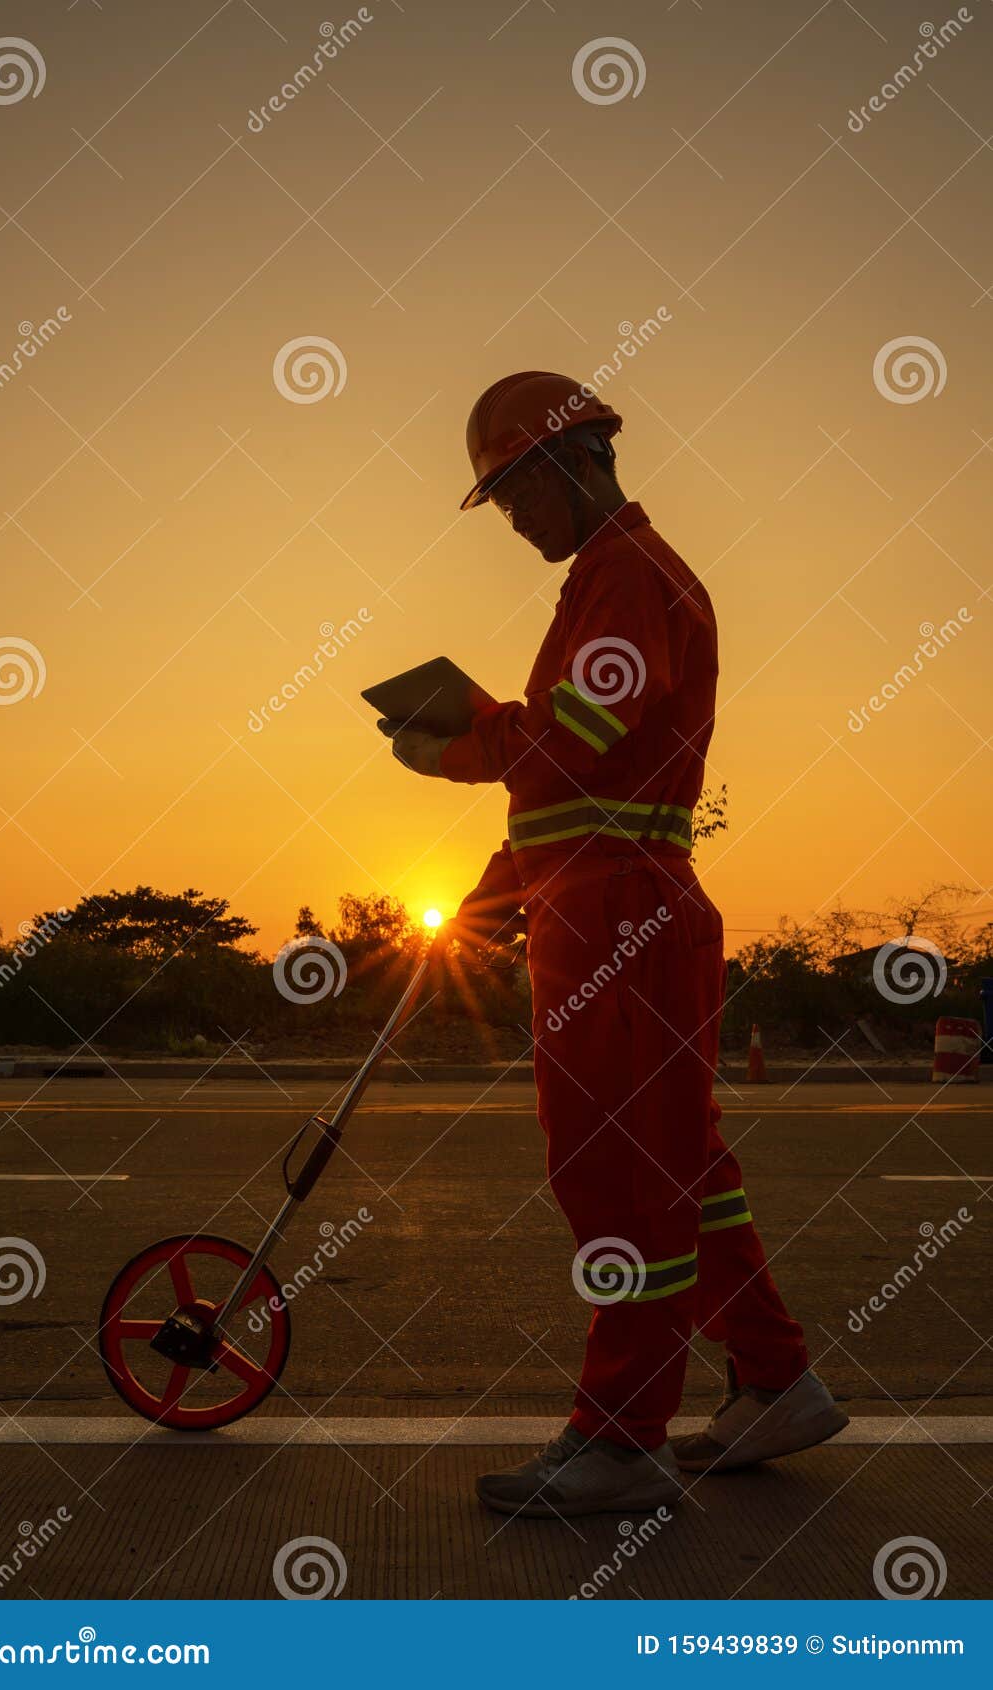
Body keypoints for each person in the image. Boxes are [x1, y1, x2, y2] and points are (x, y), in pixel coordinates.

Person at [389, 372, 848, 1518]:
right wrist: (490, 898)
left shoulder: (629, 577)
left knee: (618, 1173)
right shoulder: (606, 580)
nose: (511, 522)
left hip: (621, 915)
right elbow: (574, 794)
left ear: (567, 462)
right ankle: (773, 1378)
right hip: (602, 897)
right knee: (680, 1167)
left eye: (512, 496)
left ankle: (620, 1436)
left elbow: (576, 737)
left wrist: (454, 747)